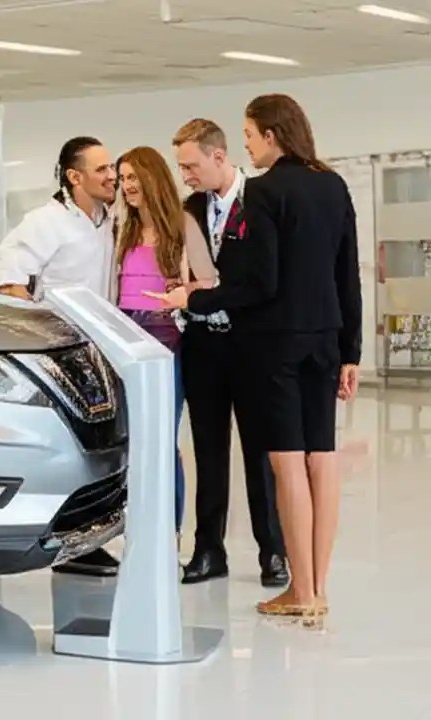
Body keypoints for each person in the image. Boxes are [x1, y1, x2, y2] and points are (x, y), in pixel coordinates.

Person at [150, 95, 362, 617]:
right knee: (324, 461)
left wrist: (193, 299)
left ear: (272, 135)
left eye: (248, 133)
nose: (245, 143)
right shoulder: (332, 185)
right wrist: (350, 350)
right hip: (326, 340)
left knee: (288, 463)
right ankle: (320, 590)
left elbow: (257, 283)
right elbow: (346, 273)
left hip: (277, 344)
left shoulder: (265, 192)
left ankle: (302, 591)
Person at [0, 135, 121, 577]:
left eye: (111, 167)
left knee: (107, 453)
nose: (111, 175)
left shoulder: (109, 219)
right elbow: (5, 275)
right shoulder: (46, 222)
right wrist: (38, 329)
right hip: (64, 356)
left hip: (104, 354)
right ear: (74, 176)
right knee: (75, 453)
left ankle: (88, 538)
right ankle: (70, 545)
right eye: (100, 169)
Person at [170, 119, 289, 588]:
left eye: (192, 165)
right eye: (180, 167)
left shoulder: (260, 203)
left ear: (219, 157)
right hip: (204, 348)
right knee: (209, 451)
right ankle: (208, 550)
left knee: (260, 453)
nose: (186, 175)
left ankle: (273, 551)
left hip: (252, 347)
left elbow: (261, 285)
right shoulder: (189, 210)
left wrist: (204, 296)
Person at [113, 146, 208, 538]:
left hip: (167, 343)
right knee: (134, 443)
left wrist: (182, 290)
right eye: (122, 180)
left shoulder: (183, 225)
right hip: (126, 344)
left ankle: (169, 530)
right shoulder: (123, 229)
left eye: (133, 177)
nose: (127, 187)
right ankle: (140, 529)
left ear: (153, 177)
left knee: (161, 440)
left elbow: (208, 280)